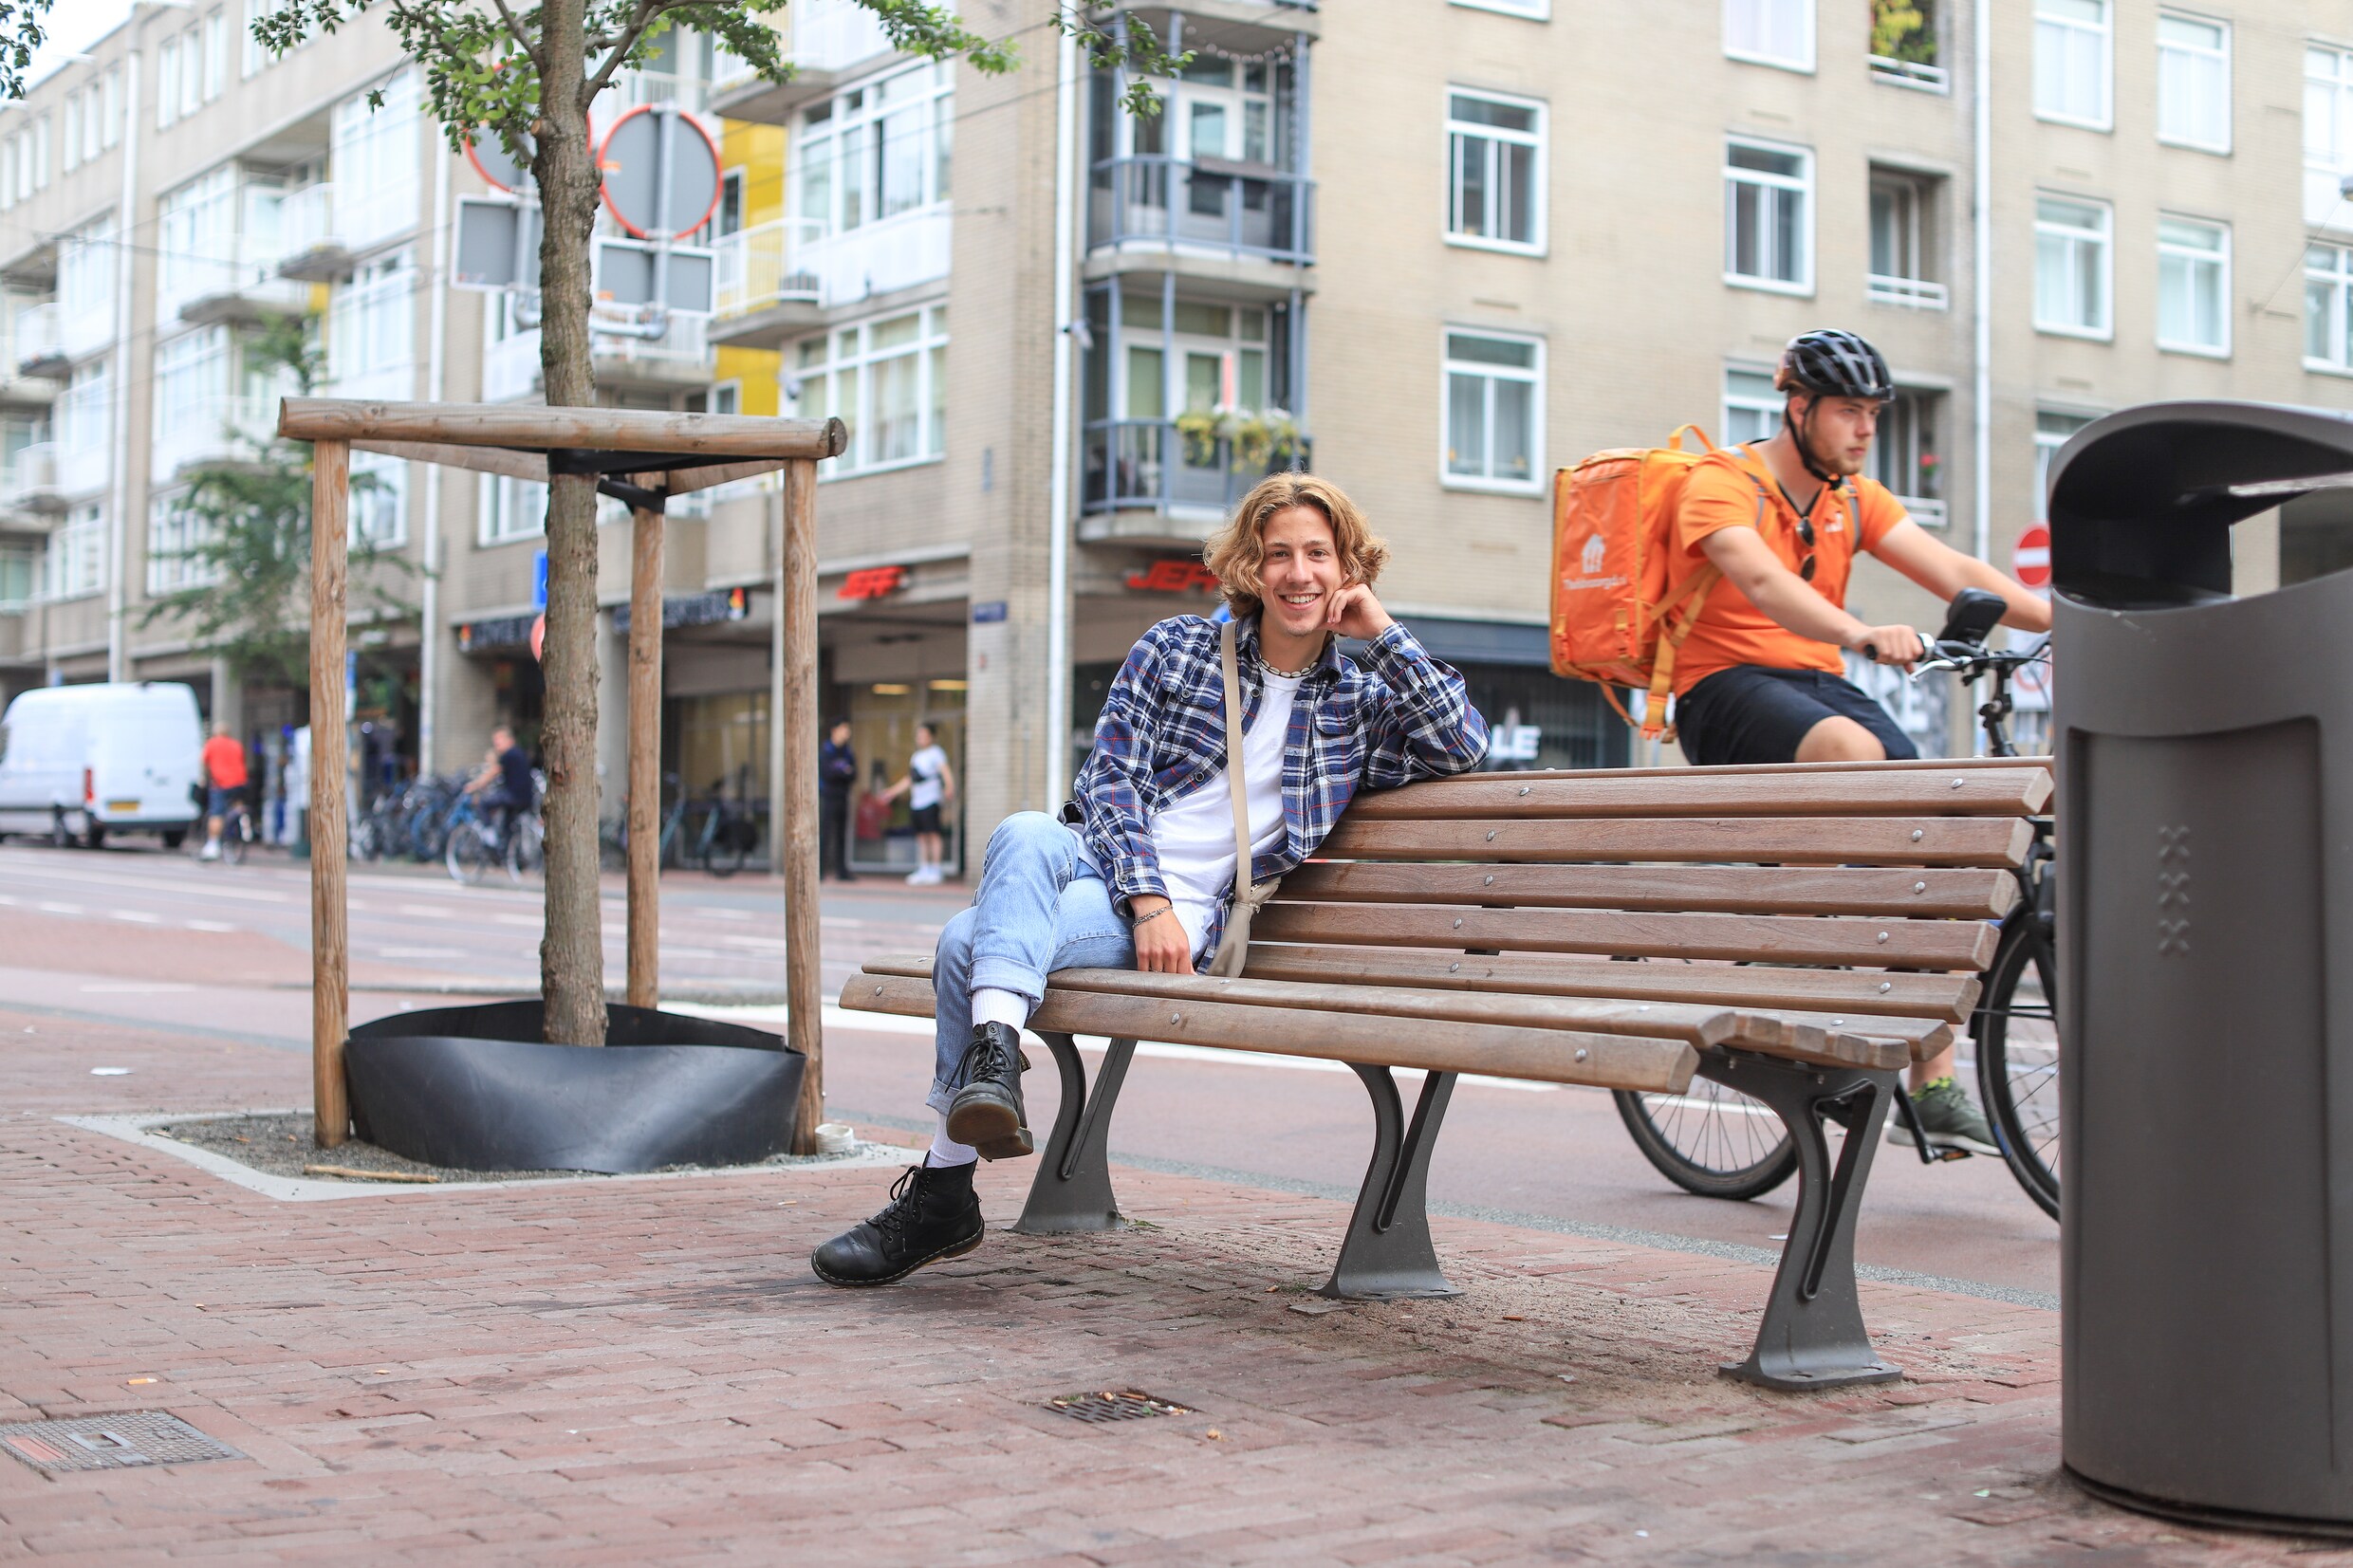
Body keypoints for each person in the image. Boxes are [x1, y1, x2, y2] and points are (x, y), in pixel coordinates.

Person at [810, 473, 1490, 1286]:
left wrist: (1379, 627)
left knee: (965, 941)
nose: (1298, 574)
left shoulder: (1361, 703)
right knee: (1025, 827)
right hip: (1107, 870)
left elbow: (1461, 746)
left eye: (1319, 554)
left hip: (1188, 919)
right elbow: (1108, 782)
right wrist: (1148, 896)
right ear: (1250, 566)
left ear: (1349, 566)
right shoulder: (1176, 648)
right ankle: (988, 1078)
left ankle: (945, 1190)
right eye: (1278, 555)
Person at [1668, 327, 2053, 1154]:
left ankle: (1938, 1083)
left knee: (1933, 829)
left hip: (1812, 686)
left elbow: (1955, 570)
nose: (1865, 430)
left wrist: (2071, 622)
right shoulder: (1719, 480)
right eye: (1849, 412)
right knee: (1851, 751)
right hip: (1719, 686)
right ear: (1798, 407)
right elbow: (1762, 581)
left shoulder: (1853, 498)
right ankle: (1805, 983)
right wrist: (1862, 633)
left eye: (1874, 414)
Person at [881, 722, 956, 886]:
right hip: (917, 802)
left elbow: (945, 772)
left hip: (931, 800)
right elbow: (909, 779)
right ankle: (924, 868)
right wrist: (892, 792)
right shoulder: (916, 757)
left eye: (924, 735)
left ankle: (936, 869)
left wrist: (949, 787)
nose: (920, 738)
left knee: (933, 835)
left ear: (931, 737)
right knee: (922, 836)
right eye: (918, 735)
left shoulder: (937, 753)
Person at [463, 726, 535, 848]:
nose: (496, 744)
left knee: (482, 804)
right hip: (526, 797)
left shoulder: (509, 755)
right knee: (507, 824)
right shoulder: (519, 753)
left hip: (513, 796)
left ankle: (489, 836)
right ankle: (507, 853)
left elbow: (493, 772)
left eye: (499, 740)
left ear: (509, 740)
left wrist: (475, 785)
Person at [198, 723, 249, 862]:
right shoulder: (236, 744)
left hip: (221, 783)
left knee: (216, 814)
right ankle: (242, 822)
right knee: (237, 805)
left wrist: (204, 778)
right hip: (240, 782)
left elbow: (203, 762)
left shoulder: (212, 744)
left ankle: (212, 845)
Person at [820, 718, 859, 882]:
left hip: (843, 796)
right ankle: (820, 870)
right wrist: (843, 771)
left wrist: (842, 772)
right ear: (834, 730)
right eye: (844, 729)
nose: (847, 733)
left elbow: (854, 774)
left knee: (842, 835)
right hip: (827, 797)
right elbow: (827, 773)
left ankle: (841, 871)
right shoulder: (826, 750)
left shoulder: (847, 751)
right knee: (825, 834)